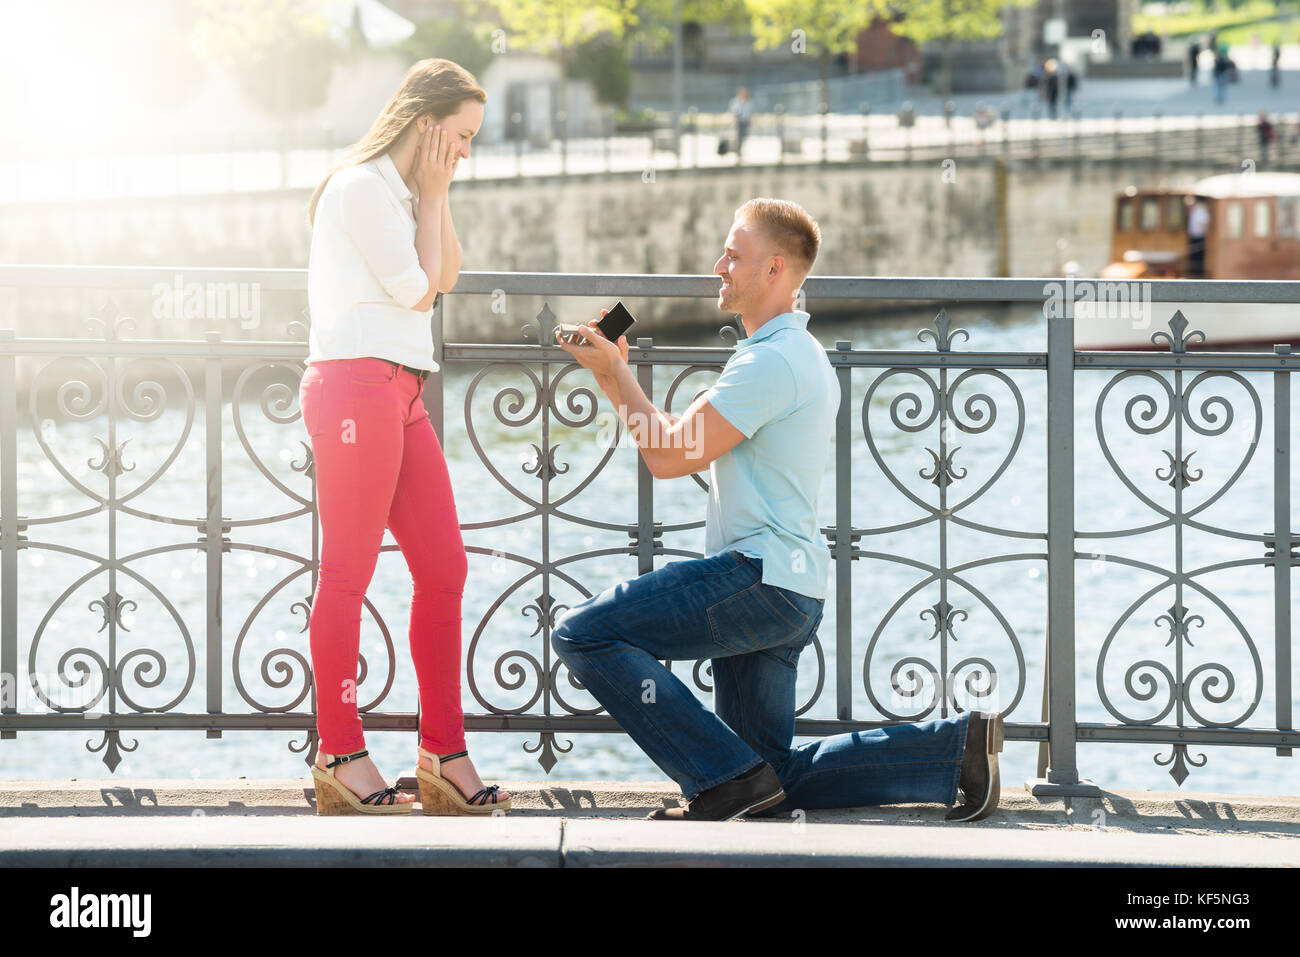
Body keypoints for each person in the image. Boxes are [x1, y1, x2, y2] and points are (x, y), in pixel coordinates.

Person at [551, 198, 1004, 823]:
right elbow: (674, 444)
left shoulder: (772, 362)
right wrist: (612, 374)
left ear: (775, 269)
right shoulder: (792, 352)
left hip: (757, 582)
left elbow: (670, 457)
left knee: (584, 633)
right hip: (789, 588)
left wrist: (616, 377)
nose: (719, 266)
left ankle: (723, 782)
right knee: (771, 777)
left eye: (733, 256)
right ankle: (957, 751)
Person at [300, 59, 510, 816]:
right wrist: (435, 193)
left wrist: (434, 193)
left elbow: (446, 274)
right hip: (355, 387)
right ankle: (340, 751)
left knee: (444, 566)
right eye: (460, 136)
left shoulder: (407, 192)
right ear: (426, 125)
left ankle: (442, 753)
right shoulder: (360, 187)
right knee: (348, 573)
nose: (466, 151)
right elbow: (417, 289)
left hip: (402, 390)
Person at [1186, 197, 1210, 277]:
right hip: (1193, 237)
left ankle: (1198, 275)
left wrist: (1206, 237)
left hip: (1199, 237)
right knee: (1193, 257)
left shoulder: (1200, 212)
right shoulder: (1193, 212)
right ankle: (1193, 274)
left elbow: (1205, 224)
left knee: (1198, 257)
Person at [728, 87, 753, 157]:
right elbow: (734, 111)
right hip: (739, 121)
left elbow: (749, 112)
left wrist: (749, 119)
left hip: (745, 121)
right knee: (739, 136)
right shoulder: (736, 101)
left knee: (744, 136)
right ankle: (737, 150)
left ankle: (740, 149)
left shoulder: (748, 102)